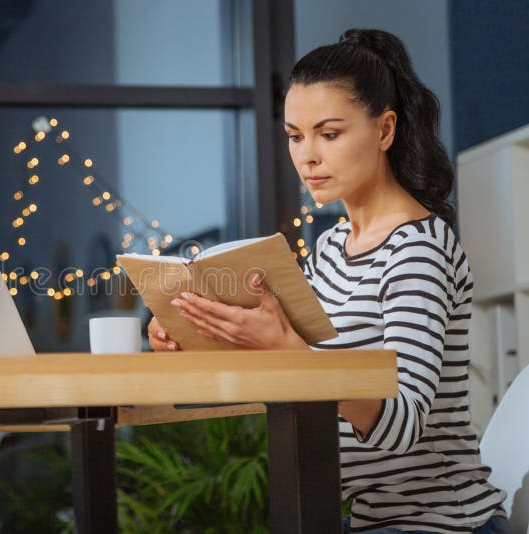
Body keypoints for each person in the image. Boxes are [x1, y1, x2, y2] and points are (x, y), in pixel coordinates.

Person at [148, 29, 509, 534]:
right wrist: (195, 335)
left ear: (384, 131)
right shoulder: (331, 248)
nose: (307, 156)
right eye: (295, 136)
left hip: (440, 523)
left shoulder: (419, 251)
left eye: (330, 133)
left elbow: (402, 426)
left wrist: (287, 352)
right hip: (366, 521)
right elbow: (299, 369)